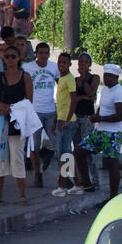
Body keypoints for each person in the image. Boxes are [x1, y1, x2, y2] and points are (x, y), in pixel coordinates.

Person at [77, 64, 122, 201]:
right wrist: (97, 115)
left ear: (116, 77)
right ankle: (87, 183)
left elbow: (121, 115)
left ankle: (113, 197)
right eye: (105, 75)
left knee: (111, 163)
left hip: (114, 133)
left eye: (110, 76)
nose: (107, 78)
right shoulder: (105, 89)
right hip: (101, 130)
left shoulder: (120, 92)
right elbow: (102, 106)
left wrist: (100, 118)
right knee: (79, 151)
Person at [0, 44, 33, 204]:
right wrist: (2, 106)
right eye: (7, 57)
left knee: (17, 158)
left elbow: (29, 102)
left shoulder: (25, 77)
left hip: (18, 123)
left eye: (13, 57)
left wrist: (12, 109)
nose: (10, 60)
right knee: (0, 158)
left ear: (19, 58)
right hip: (1, 122)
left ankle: (22, 194)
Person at [22, 41, 59, 189]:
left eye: (46, 53)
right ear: (36, 54)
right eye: (41, 53)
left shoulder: (53, 67)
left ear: (49, 54)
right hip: (34, 111)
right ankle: (38, 175)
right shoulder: (28, 68)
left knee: (57, 142)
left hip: (50, 111)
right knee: (34, 145)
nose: (43, 56)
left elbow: (61, 84)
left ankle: (63, 176)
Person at [71, 52, 99, 193]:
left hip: (87, 117)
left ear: (89, 64)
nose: (83, 64)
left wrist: (83, 80)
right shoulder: (74, 80)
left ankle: (94, 180)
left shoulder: (94, 78)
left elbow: (91, 94)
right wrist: (82, 96)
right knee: (77, 149)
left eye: (86, 62)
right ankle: (82, 180)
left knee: (88, 150)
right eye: (81, 62)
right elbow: (74, 98)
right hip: (76, 117)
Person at [52, 51, 77, 197]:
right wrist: (55, 121)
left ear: (69, 64)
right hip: (60, 120)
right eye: (60, 62)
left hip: (68, 122)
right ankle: (66, 182)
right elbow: (60, 103)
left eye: (64, 63)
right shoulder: (60, 79)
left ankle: (63, 185)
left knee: (65, 155)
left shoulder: (69, 79)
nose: (61, 65)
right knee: (62, 154)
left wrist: (67, 121)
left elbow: (73, 100)